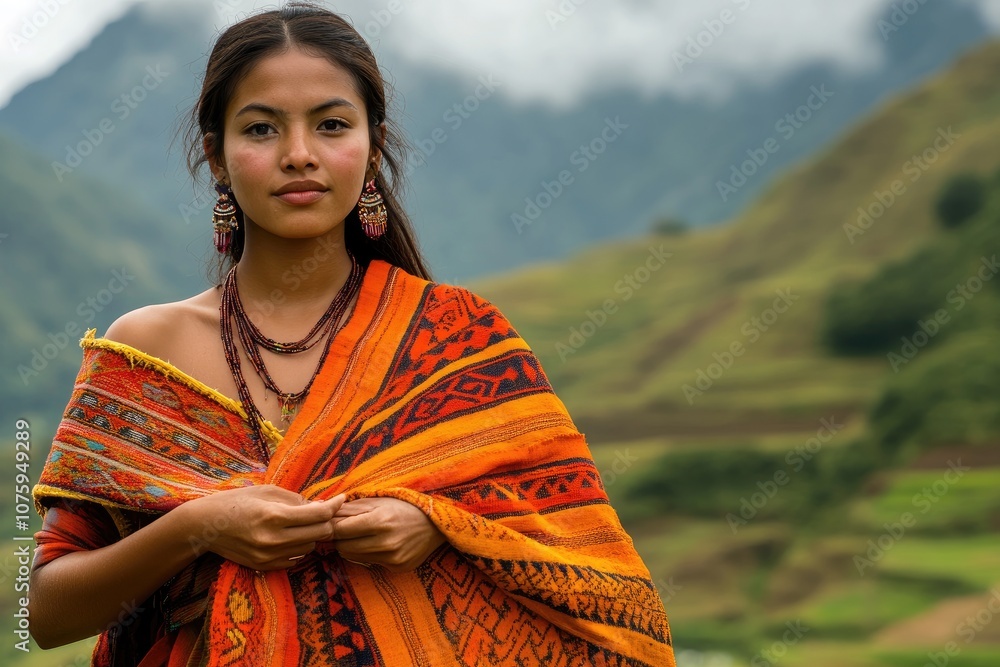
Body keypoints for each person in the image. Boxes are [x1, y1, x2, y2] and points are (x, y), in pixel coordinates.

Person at [29, 4, 676, 665]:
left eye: (332, 125)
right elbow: (49, 611)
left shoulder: (458, 339)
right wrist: (201, 526)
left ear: (373, 149)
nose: (299, 155)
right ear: (216, 156)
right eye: (261, 128)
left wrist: (440, 526)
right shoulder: (149, 350)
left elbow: (600, 582)